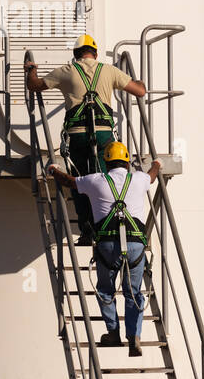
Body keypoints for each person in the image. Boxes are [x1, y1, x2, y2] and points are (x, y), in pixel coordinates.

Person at [25, 34, 147, 238]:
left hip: (77, 136)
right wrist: (139, 81)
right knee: (105, 179)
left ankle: (87, 229)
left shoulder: (67, 71)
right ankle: (109, 226)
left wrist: (32, 70)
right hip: (104, 136)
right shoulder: (109, 70)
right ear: (96, 53)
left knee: (80, 180)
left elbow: (35, 85)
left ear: (75, 55)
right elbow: (140, 91)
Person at [48, 141, 161, 357]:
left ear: (106, 162)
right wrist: (156, 163)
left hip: (107, 244)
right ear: (127, 162)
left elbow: (69, 181)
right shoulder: (138, 179)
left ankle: (113, 333)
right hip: (136, 244)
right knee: (134, 292)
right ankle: (134, 335)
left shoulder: (96, 180)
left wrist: (54, 170)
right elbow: (153, 175)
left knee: (106, 291)